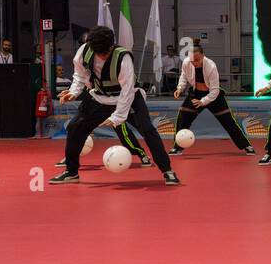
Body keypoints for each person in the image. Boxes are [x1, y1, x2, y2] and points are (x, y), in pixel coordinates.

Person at [52, 25, 178, 185]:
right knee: (75, 127)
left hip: (129, 97)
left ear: (112, 46)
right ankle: (71, 172)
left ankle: (167, 170)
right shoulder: (84, 51)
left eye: (106, 52)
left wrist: (117, 117)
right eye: (99, 53)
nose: (103, 56)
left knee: (148, 130)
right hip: (99, 97)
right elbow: (80, 73)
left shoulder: (123, 58)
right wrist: (74, 91)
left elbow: (127, 91)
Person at [170, 43, 255, 156]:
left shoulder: (211, 66)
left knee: (228, 122)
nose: (194, 63)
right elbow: (184, 76)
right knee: (183, 118)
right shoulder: (186, 62)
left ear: (203, 56)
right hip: (195, 94)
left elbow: (215, 91)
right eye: (192, 60)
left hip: (213, 96)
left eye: (197, 60)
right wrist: (180, 88)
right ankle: (177, 147)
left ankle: (246, 146)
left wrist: (203, 102)